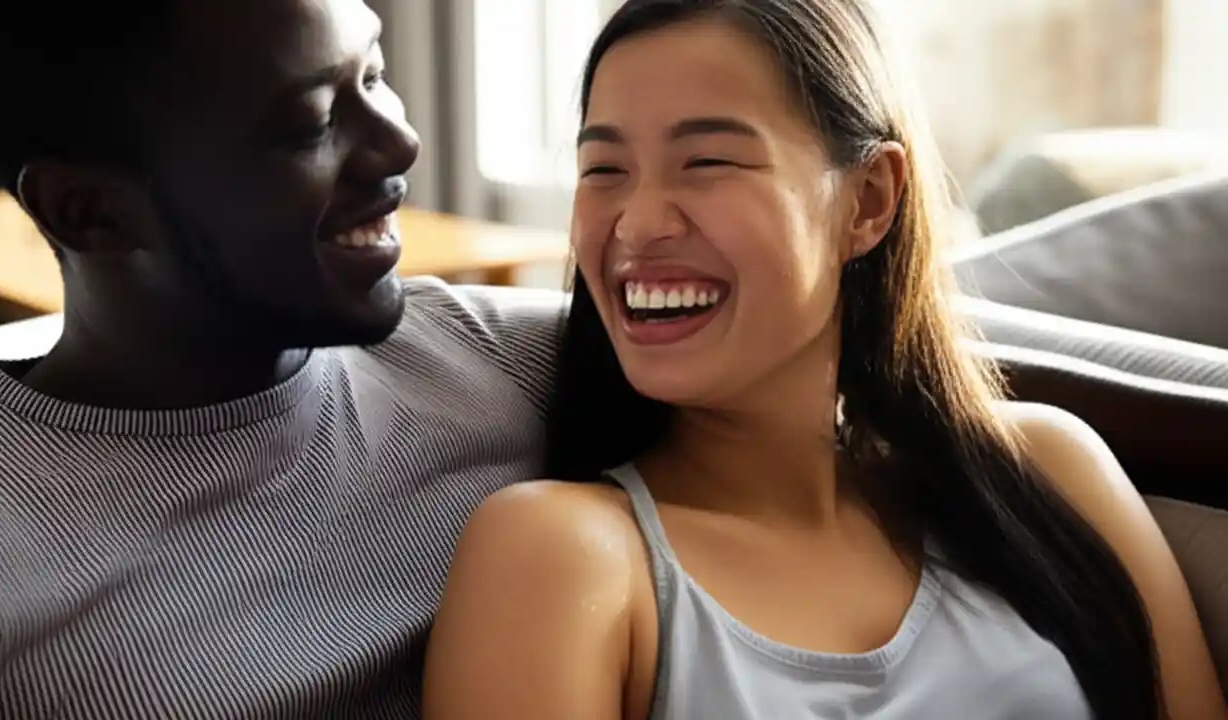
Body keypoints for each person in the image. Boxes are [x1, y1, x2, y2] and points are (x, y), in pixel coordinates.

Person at [422, 1, 1227, 718]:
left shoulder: (1049, 473)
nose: (636, 225)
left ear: (869, 200)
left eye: (707, 162)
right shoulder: (564, 556)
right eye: (604, 171)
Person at [0, 0, 561, 717]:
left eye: (373, 75)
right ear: (90, 210)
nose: (399, 143)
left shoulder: (514, 361)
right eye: (312, 124)